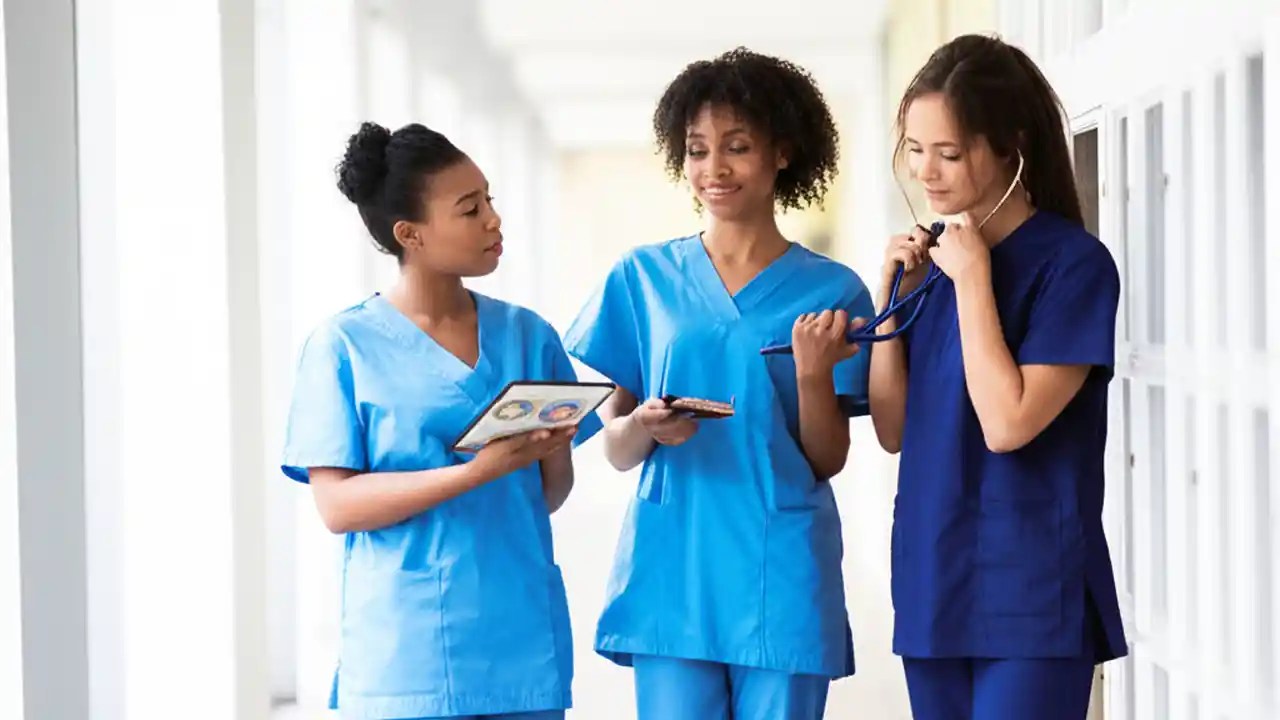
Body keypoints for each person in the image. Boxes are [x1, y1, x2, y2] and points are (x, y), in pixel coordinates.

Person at [564, 48, 873, 720]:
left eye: (737, 147)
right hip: (674, 562)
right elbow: (615, 450)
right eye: (698, 149)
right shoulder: (642, 280)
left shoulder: (833, 291)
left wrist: (815, 375)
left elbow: (826, 459)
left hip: (780, 560)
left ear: (783, 153)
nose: (714, 169)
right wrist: (642, 427)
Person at [281, 121, 597, 720]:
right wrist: (477, 471)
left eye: (490, 201)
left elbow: (548, 495)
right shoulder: (343, 346)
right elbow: (338, 507)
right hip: (407, 653)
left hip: (517, 638)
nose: (493, 221)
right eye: (469, 209)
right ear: (411, 235)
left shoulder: (529, 336)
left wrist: (550, 448)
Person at [866, 34, 1129, 719]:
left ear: (1011, 148)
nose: (927, 172)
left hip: (1032, 592)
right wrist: (888, 301)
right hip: (933, 576)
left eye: (949, 153)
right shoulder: (932, 267)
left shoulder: (1073, 266)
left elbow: (1009, 422)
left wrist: (975, 279)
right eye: (916, 150)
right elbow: (894, 431)